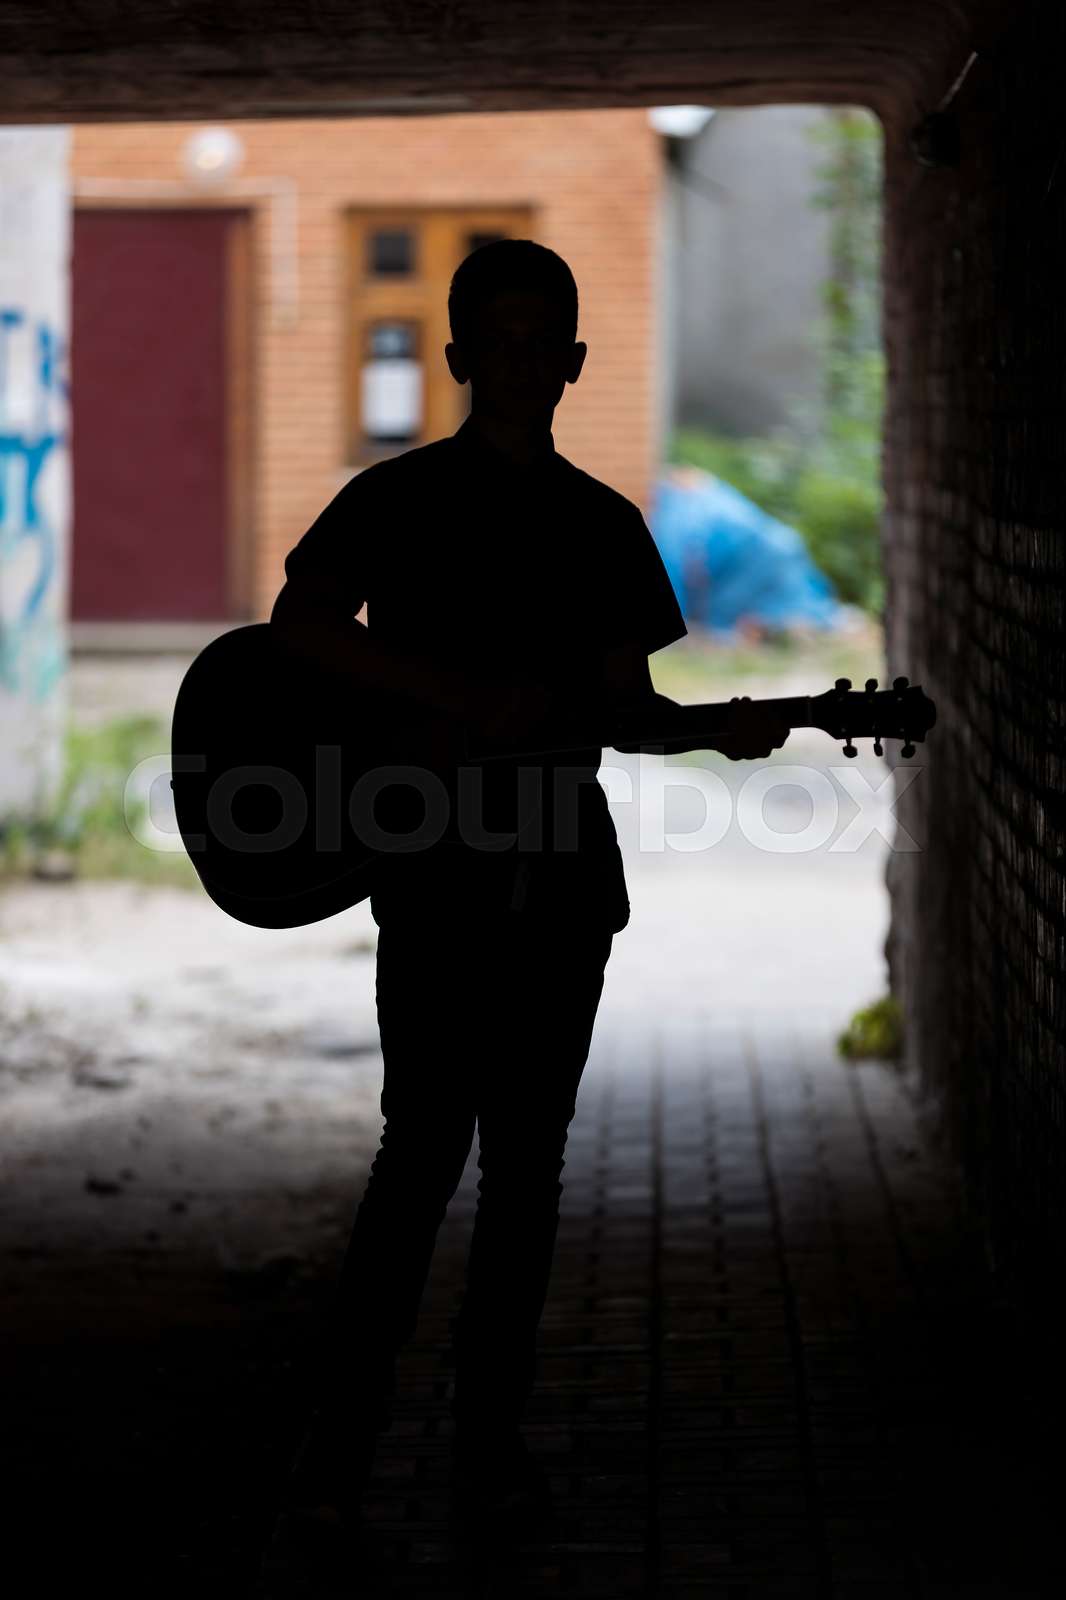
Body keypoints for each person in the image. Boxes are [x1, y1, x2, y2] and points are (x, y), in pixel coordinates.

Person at [260, 239, 787, 1569]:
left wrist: (725, 730)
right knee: (416, 1161)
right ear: (456, 358)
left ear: (569, 362)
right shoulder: (393, 501)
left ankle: (487, 1451)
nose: (515, 360)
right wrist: (452, 698)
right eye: (490, 336)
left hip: (560, 881)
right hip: (432, 874)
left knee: (528, 1176)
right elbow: (298, 625)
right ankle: (336, 1454)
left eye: (537, 338)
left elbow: (620, 714)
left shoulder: (606, 525)